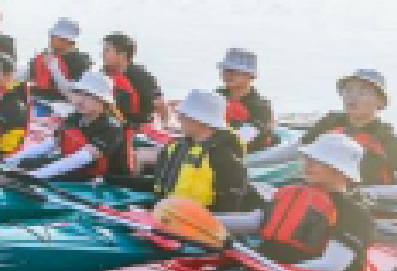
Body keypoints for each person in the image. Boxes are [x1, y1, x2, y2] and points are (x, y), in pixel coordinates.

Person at [248, 67, 397, 203]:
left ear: (380, 102)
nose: (353, 97)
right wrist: (247, 162)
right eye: (348, 90)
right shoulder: (330, 122)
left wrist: (366, 193)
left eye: (363, 92)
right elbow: (296, 150)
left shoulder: (390, 140)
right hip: (317, 194)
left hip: (358, 204)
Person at [215, 132, 376, 271]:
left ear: (340, 170)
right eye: (309, 158)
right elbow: (255, 221)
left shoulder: (355, 214)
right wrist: (204, 218)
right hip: (264, 267)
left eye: (318, 161)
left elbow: (331, 267)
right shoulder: (292, 192)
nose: (308, 164)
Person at [116, 90, 257, 212]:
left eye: (184, 115)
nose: (179, 118)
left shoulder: (225, 158)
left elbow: (229, 208)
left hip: (197, 223)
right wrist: (114, 180)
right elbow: (158, 183)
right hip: (165, 213)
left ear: (202, 120)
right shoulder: (175, 147)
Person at [2, 70, 130, 180]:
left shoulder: (111, 127)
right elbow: (52, 143)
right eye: (79, 93)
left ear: (103, 101)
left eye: (88, 95)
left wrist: (36, 175)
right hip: (79, 169)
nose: (80, 100)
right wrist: (11, 160)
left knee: (36, 169)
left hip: (101, 180)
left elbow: (83, 158)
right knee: (26, 163)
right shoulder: (74, 116)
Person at [214, 48, 279, 150]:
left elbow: (252, 137)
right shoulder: (216, 96)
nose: (227, 75)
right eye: (225, 70)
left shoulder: (261, 106)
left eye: (234, 71)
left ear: (251, 76)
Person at [101, 33, 167, 128]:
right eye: (103, 50)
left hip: (137, 126)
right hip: (111, 123)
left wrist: (165, 125)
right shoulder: (103, 73)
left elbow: (160, 104)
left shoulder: (140, 76)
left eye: (107, 50)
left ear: (122, 55)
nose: (102, 54)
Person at [24, 17, 89, 103]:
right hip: (35, 100)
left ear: (66, 40)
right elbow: (27, 75)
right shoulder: (44, 55)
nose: (50, 38)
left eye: (54, 36)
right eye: (51, 35)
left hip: (62, 105)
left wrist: (54, 68)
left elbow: (73, 94)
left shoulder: (80, 62)